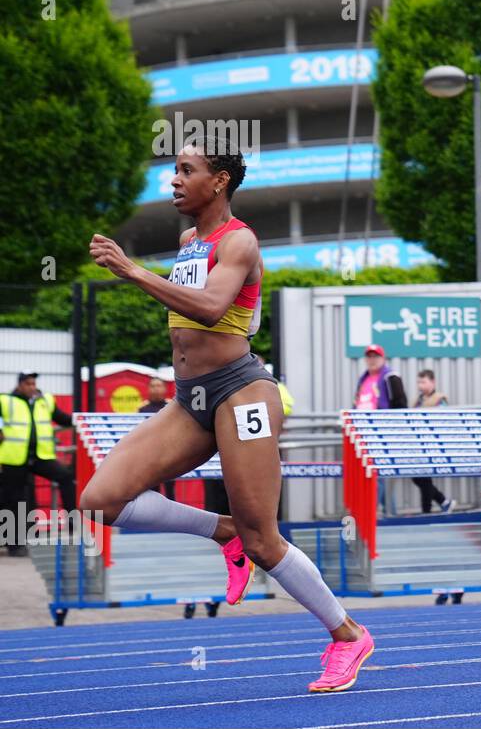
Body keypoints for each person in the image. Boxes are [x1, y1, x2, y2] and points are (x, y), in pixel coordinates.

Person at [82, 138, 373, 693]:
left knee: (265, 540)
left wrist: (130, 271)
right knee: (101, 499)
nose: (173, 180)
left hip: (241, 394)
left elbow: (215, 308)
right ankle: (222, 531)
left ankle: (347, 636)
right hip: (189, 397)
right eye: (174, 170)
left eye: (185, 170)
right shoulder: (189, 240)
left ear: (218, 181)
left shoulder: (238, 240)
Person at [0, 371, 77, 557]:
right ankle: (15, 545)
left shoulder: (45, 400)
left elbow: (63, 419)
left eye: (33, 384)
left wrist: (82, 419)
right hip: (14, 457)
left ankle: (74, 522)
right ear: (19, 385)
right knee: (15, 500)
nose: (32, 387)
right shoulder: (6, 400)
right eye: (28, 384)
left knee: (65, 476)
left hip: (40, 456)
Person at [410, 370, 455, 514]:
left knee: (423, 477)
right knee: (419, 477)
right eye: (419, 382)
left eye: (423, 382)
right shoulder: (417, 400)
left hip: (432, 444)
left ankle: (427, 512)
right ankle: (443, 502)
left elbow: (443, 419)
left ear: (432, 382)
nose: (420, 385)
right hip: (418, 444)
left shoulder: (440, 399)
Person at [138, 377, 177, 501]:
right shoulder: (142, 409)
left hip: (169, 452)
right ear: (149, 389)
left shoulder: (172, 406)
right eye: (153, 386)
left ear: (165, 389)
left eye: (159, 386)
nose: (156, 389)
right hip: (150, 454)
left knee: (170, 488)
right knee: (153, 488)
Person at [353, 344, 406, 410]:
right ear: (365, 359)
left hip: (382, 419)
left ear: (383, 358)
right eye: (369, 357)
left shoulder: (391, 377)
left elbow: (400, 405)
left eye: (376, 356)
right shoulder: (362, 379)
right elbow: (356, 401)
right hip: (362, 418)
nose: (372, 360)